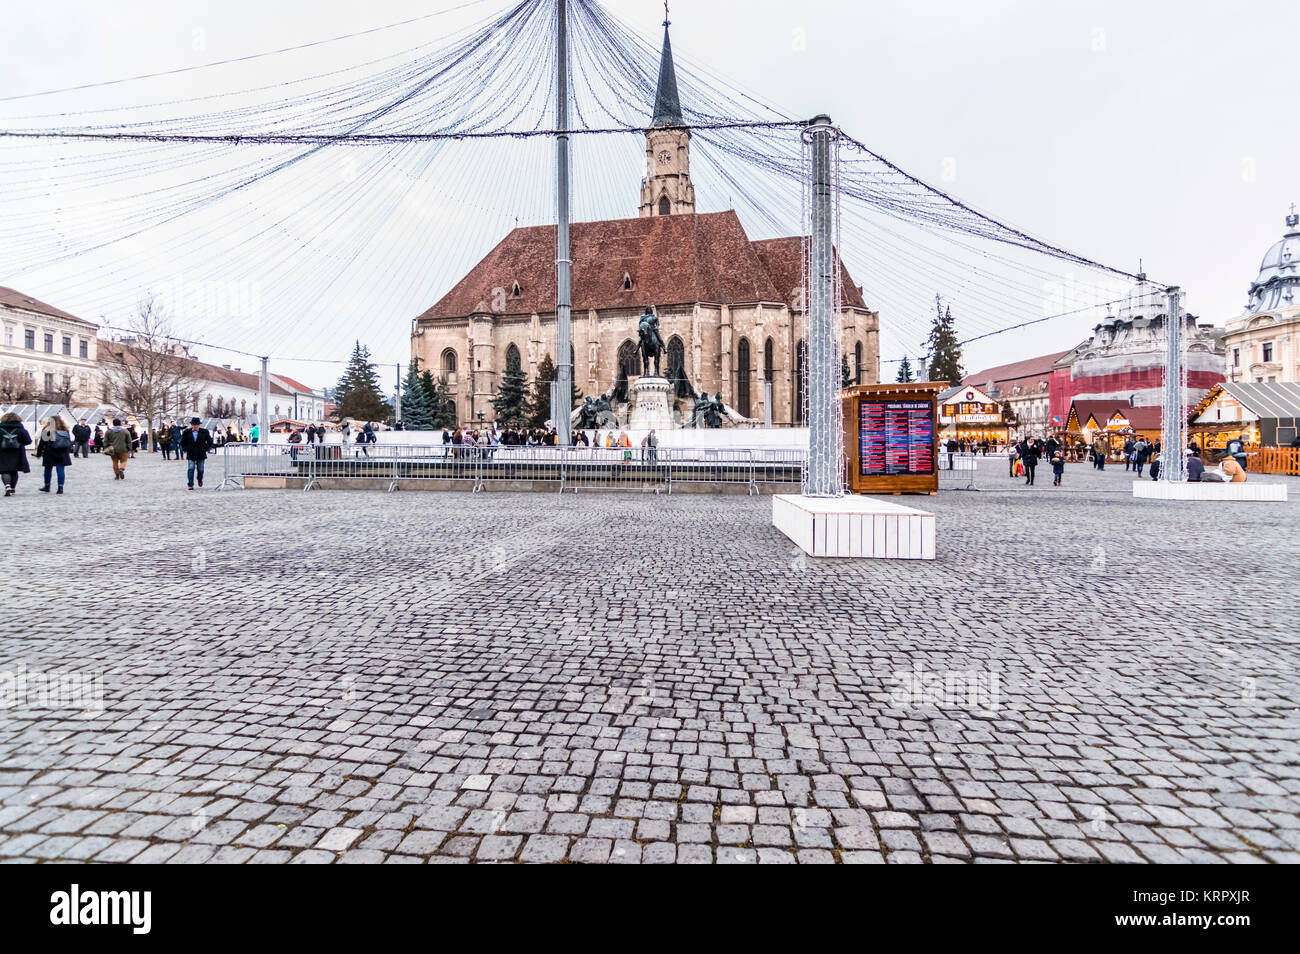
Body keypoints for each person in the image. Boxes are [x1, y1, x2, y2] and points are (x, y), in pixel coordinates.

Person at [34, 418, 73, 494]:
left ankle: (47, 486)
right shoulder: (65, 430)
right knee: (60, 469)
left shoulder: (47, 430)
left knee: (48, 469)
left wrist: (38, 454)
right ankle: (60, 488)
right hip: (62, 452)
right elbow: (68, 442)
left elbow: (42, 443)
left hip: (50, 451)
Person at [0, 412, 33, 496]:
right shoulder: (21, 429)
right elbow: (28, 441)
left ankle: (7, 486)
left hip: (3, 452)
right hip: (17, 452)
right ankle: (13, 488)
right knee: (14, 470)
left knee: (5, 470)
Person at [180, 417, 214, 490]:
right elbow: (182, 442)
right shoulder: (186, 432)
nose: (195, 426)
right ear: (191, 425)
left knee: (200, 469)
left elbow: (209, 442)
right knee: (191, 468)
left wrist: (205, 448)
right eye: (193, 425)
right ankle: (190, 484)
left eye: (196, 425)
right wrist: (186, 449)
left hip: (201, 453)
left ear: (199, 425)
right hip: (191, 453)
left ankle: (199, 479)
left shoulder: (204, 432)